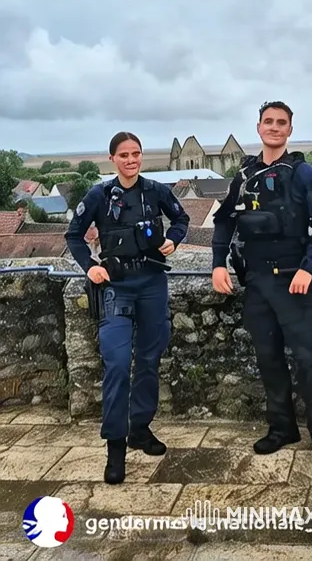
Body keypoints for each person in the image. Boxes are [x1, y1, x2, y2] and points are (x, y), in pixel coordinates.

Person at [211, 101, 312, 463]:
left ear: (290, 130)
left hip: (294, 281)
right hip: (258, 283)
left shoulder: (304, 174)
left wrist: (308, 268)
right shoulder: (244, 175)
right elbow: (224, 222)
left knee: (308, 360)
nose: (275, 127)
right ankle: (281, 428)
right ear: (259, 127)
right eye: (269, 122)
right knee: (268, 359)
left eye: (282, 123)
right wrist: (218, 264)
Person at [65, 131, 189, 485]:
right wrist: (90, 266)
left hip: (152, 284)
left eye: (136, 154)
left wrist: (173, 240)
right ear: (112, 159)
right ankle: (115, 448)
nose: (131, 160)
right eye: (124, 155)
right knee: (118, 365)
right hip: (116, 288)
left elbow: (181, 220)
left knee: (149, 361)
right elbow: (74, 236)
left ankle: (141, 430)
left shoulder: (156, 191)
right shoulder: (100, 195)